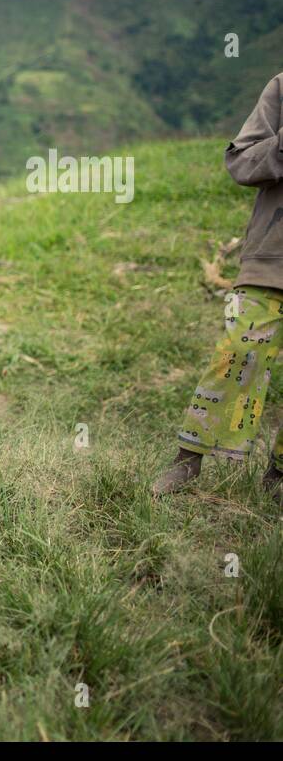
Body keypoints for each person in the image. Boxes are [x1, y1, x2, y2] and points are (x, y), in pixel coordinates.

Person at [154, 72, 283, 496]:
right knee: (238, 351)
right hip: (272, 259)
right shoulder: (281, 87)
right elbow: (241, 161)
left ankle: (277, 478)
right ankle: (189, 460)